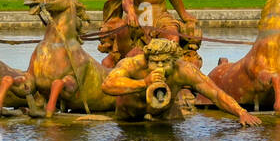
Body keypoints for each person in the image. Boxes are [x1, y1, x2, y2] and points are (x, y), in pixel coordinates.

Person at [102, 38, 260, 126]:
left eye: (165, 62)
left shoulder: (184, 70)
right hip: (130, 119)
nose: (160, 67)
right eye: (155, 62)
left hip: (163, 119)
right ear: (146, 59)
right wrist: (144, 82)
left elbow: (215, 94)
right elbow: (107, 85)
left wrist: (241, 112)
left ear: (175, 60)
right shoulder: (133, 64)